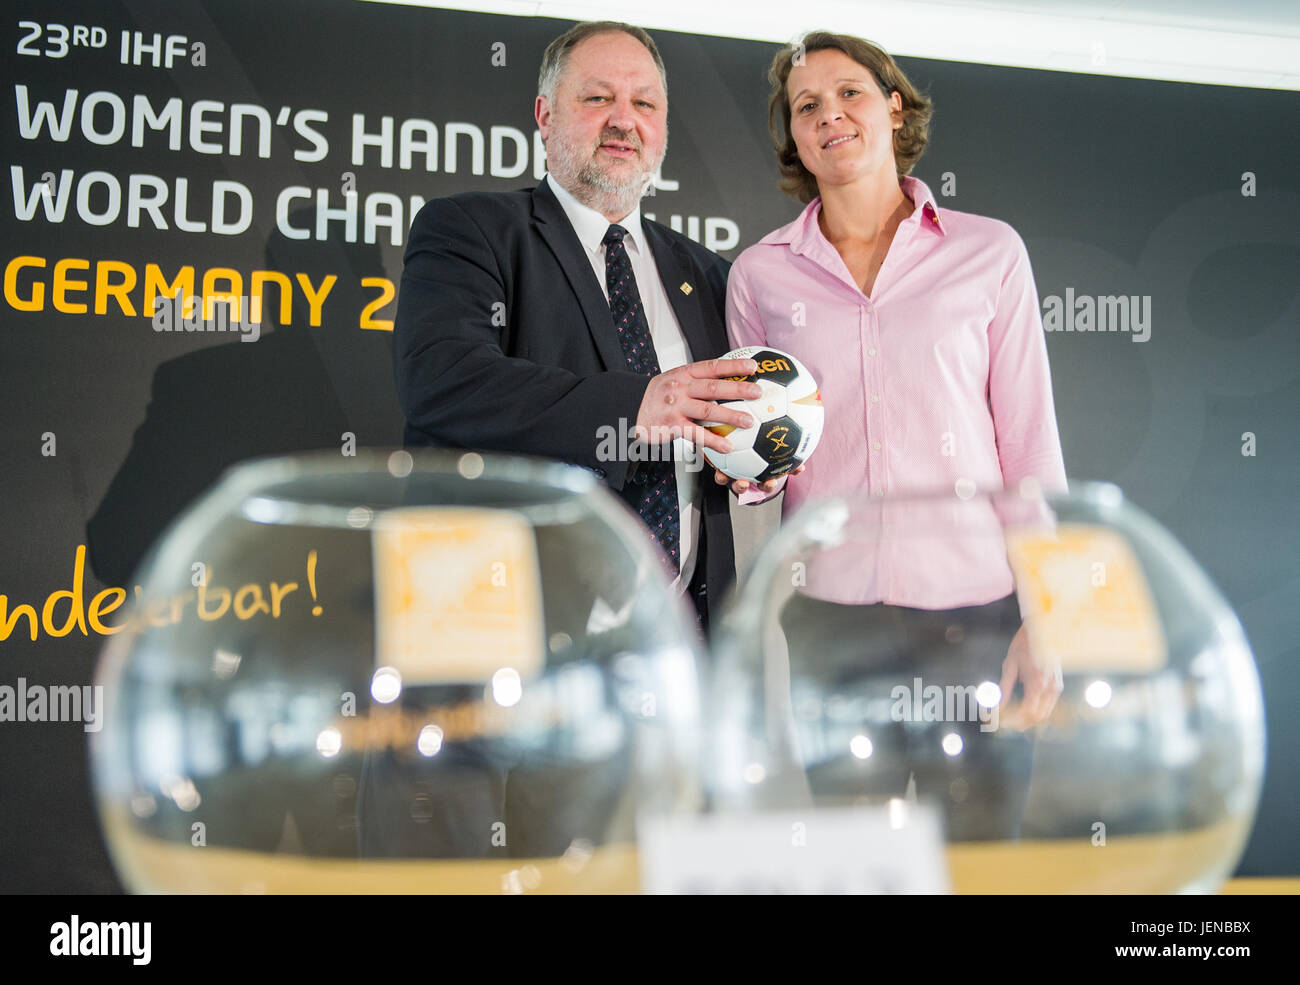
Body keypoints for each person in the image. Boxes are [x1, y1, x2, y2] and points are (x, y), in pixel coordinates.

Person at [723, 31, 1069, 839]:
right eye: (805, 106)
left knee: (978, 864)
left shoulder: (991, 253)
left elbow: (1030, 445)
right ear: (794, 138)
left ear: (894, 107)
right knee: (855, 865)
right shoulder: (759, 275)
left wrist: (1048, 615)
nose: (829, 115)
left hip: (978, 616)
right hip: (829, 622)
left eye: (849, 93)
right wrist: (745, 473)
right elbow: (758, 470)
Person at [394, 20, 760, 635]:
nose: (623, 120)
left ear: (663, 126)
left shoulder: (712, 274)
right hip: (506, 630)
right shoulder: (471, 228)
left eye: (644, 103)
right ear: (544, 113)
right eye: (597, 98)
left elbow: (726, 418)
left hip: (678, 639)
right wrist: (636, 404)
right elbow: (442, 377)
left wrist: (757, 454)